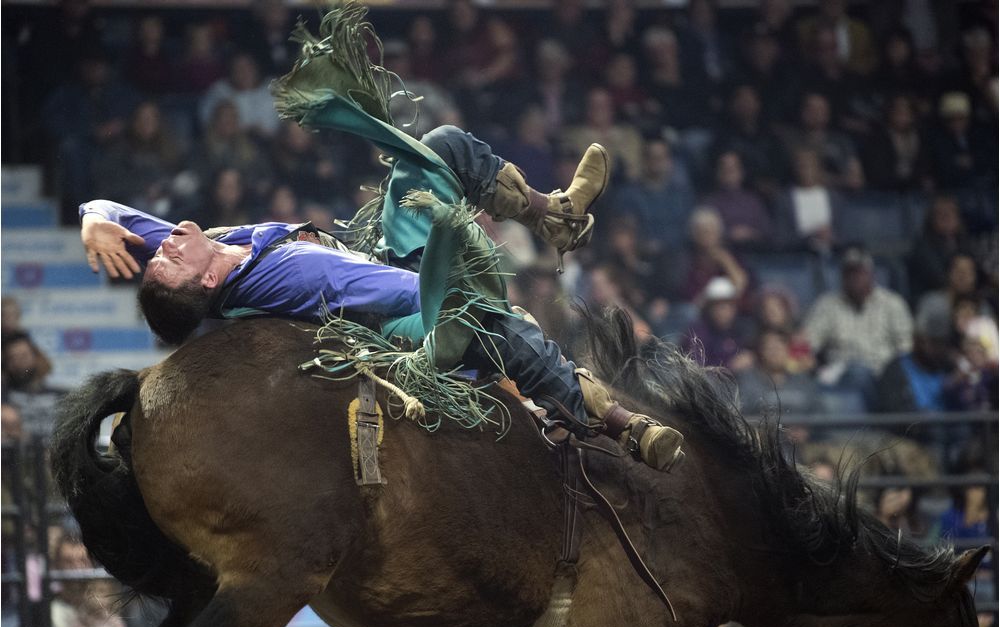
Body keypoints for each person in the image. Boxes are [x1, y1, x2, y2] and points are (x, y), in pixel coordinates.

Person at [81, 122, 683, 472]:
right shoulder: (273, 282)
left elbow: (119, 216)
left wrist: (94, 217)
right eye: (166, 260)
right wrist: (461, 286)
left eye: (157, 254)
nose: (162, 247)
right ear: (208, 284)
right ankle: (616, 422)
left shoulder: (205, 252)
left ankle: (554, 215)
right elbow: (384, 290)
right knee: (479, 319)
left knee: (438, 145)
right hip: (400, 311)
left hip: (378, 261)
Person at [803, 248, 913, 405]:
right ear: (842, 276)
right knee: (852, 375)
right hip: (841, 376)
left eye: (860, 273)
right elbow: (807, 342)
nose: (855, 278)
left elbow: (906, 349)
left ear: (871, 275)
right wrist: (805, 356)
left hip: (884, 377)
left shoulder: (892, 303)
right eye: (850, 273)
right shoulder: (827, 305)